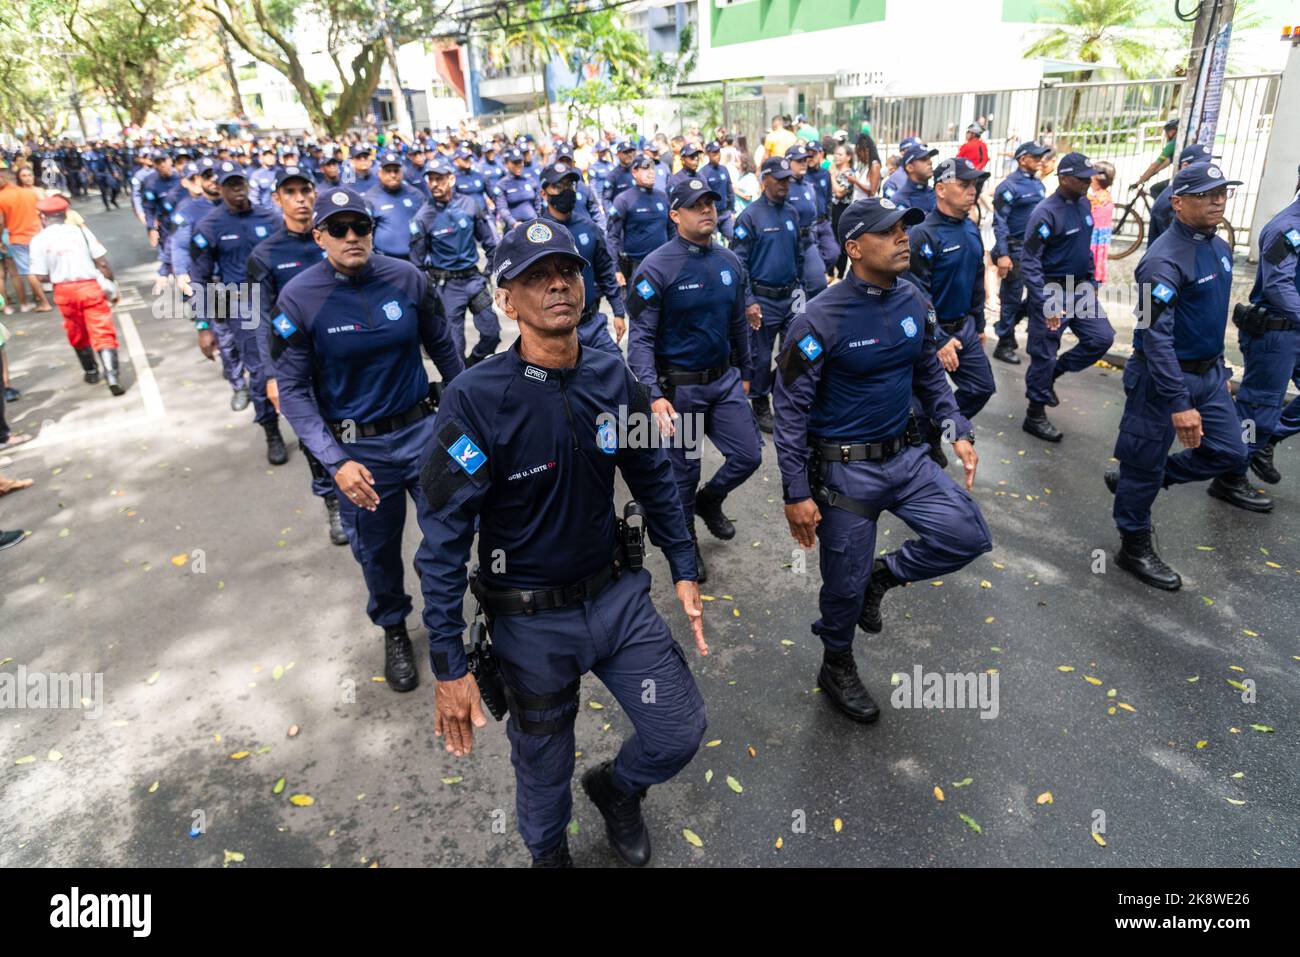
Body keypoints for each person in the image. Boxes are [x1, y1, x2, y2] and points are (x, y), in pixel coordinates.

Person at [418, 218, 707, 868]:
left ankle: (617, 789)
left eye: (568, 271)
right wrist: (448, 663)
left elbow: (654, 477)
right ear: (505, 300)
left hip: (617, 601)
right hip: (530, 627)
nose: (557, 284)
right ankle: (549, 854)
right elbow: (441, 540)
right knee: (544, 773)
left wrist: (683, 563)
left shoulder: (612, 379)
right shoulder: (472, 401)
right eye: (535, 276)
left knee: (677, 730)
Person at [773, 197, 990, 723]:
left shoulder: (913, 299)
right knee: (841, 588)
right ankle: (837, 662)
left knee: (967, 535)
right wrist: (796, 493)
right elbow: (789, 412)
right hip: (846, 473)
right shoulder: (818, 319)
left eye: (904, 229)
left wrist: (956, 429)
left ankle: (883, 576)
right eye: (888, 232)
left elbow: (930, 376)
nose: (902, 239)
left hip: (908, 459)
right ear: (853, 248)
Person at [271, 186, 463, 690]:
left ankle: (446, 626)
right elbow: (291, 390)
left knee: (449, 534)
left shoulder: (407, 278)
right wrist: (335, 461)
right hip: (359, 452)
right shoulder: (298, 298)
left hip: (423, 432)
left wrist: (466, 419)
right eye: (339, 229)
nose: (352, 237)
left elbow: (446, 351)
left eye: (361, 227)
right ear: (319, 236)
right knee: (376, 552)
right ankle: (394, 627)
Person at [1104, 163, 1257, 590]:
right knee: (1142, 461)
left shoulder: (1220, 246)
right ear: (1177, 202)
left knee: (1230, 452)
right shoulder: (1162, 262)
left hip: (1208, 375)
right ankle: (1132, 545)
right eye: (1206, 194)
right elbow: (1154, 337)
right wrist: (1180, 403)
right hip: (1161, 379)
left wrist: (1220, 370)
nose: (1218, 200)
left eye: (1223, 192)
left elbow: (1207, 319)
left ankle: (1147, 478)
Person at [627, 178, 761, 583]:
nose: (706, 210)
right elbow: (641, 339)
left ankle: (711, 500)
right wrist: (651, 395)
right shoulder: (655, 268)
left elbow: (739, 324)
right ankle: (685, 547)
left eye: (710, 203)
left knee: (749, 454)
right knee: (683, 474)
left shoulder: (729, 263)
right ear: (675, 215)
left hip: (724, 382)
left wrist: (747, 374)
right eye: (695, 204)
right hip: (678, 390)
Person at [248, 166, 347, 546]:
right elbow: (260, 318)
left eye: (306, 189)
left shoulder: (336, 237)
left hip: (345, 351)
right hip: (298, 361)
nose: (301, 198)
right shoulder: (266, 254)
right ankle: (331, 501)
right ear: (278, 200)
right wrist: (271, 375)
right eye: (290, 192)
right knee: (313, 433)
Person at [190, 160, 288, 463]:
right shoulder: (209, 226)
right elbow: (200, 278)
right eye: (231, 185)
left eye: (241, 184)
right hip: (242, 305)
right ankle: (271, 430)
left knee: (302, 364)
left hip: (280, 303)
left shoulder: (270, 217)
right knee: (260, 372)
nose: (238, 190)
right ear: (220, 189)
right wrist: (204, 325)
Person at [1019, 152, 1116, 442]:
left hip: (1080, 288)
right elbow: (1030, 260)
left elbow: (1083, 247)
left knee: (1102, 338)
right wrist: (1045, 301)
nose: (1089, 182)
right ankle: (1034, 414)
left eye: (1090, 177)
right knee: (1044, 353)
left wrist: (1091, 278)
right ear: (1063, 179)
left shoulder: (1085, 203)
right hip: (1052, 291)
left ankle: (1054, 375)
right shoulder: (1046, 213)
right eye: (1082, 178)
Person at [905, 158, 996, 464]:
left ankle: (935, 428)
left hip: (965, 327)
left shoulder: (969, 228)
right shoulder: (922, 234)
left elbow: (975, 279)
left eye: (975, 185)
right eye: (965, 184)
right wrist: (940, 338)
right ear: (941, 189)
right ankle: (924, 440)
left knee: (982, 387)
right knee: (922, 397)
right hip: (932, 333)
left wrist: (980, 323)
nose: (972, 191)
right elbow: (918, 293)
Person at [1220, 163, 1300, 488]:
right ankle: (1230, 474)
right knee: (1255, 412)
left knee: (1264, 421)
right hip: (1276, 336)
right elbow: (1278, 286)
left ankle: (1267, 441)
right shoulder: (1287, 228)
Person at [28, 194, 125, 394]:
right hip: (90, 287)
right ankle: (112, 375)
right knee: (102, 329)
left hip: (64, 292)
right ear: (65, 214)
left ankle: (91, 371)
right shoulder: (81, 232)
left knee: (76, 331)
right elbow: (102, 262)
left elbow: (39, 275)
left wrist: (57, 274)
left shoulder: (38, 241)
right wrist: (112, 284)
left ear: (43, 217)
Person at [410, 157, 501, 366]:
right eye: (430, 179)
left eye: (439, 178)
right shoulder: (423, 217)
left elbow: (488, 241)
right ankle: (460, 382)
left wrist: (488, 271)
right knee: (455, 345)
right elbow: (417, 261)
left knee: (491, 332)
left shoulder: (469, 205)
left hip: (474, 281)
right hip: (447, 287)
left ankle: (473, 363)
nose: (434, 184)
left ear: (450, 179)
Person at [537, 161, 625, 355]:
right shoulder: (536, 234)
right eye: (558, 186)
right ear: (544, 193)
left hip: (592, 324)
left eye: (570, 185)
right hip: (554, 329)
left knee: (619, 372)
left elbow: (605, 272)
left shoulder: (589, 227)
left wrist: (618, 311)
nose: (566, 191)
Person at [990, 141, 1051, 364]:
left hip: (1035, 250)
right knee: (1011, 298)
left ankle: (1007, 327)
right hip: (1015, 250)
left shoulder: (1037, 184)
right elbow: (999, 222)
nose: (1039, 161)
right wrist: (1004, 254)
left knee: (1036, 294)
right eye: (1035, 157)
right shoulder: (1009, 186)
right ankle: (1003, 344)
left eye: (1040, 157)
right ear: (1022, 159)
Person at [607, 155, 673, 287]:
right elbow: (612, 236)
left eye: (653, 168)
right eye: (646, 168)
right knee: (642, 304)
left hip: (664, 263)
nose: (651, 172)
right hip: (638, 267)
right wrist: (615, 269)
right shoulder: (623, 200)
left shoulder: (663, 197)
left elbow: (672, 231)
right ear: (634, 172)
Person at [0, 170, 52, 313]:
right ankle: (41, 297)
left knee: (29, 271)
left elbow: (1, 221)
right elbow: (42, 212)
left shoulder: (2, 197)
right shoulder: (29, 193)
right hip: (37, 235)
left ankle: (43, 302)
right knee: (42, 266)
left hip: (17, 238)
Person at [1147, 143, 1214, 247]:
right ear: (1185, 166)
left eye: (1208, 164)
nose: (1206, 170)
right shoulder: (1172, 202)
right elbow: (1176, 245)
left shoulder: (1190, 194)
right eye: (1200, 165)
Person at [783, 144, 828, 297]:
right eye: (799, 161)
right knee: (798, 288)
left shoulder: (808, 187)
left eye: (805, 160)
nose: (803, 164)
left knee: (819, 283)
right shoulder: (783, 187)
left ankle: (813, 317)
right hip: (789, 244)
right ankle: (799, 318)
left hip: (808, 241)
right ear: (788, 162)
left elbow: (813, 216)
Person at [366, 150, 425, 261]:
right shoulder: (371, 198)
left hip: (416, 259)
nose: (393, 175)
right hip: (385, 261)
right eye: (388, 171)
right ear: (379, 173)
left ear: (402, 172)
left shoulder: (416, 194)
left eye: (396, 171)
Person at [1132, 118, 1179, 197]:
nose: (1165, 135)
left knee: (1155, 189)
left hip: (1180, 179)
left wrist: (1139, 181)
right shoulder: (1178, 144)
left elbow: (1155, 165)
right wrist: (1145, 178)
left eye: (1166, 132)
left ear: (1172, 131)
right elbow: (1159, 167)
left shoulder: (1172, 145)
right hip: (1182, 178)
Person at [699, 141, 735, 241]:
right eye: (714, 153)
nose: (717, 155)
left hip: (725, 214)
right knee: (712, 243)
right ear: (708, 154)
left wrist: (732, 210)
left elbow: (730, 191)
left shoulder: (724, 169)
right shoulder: (703, 172)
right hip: (710, 215)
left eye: (718, 152)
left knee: (734, 237)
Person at [892, 143, 938, 215]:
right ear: (910, 168)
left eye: (929, 158)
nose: (930, 162)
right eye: (923, 159)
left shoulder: (936, 193)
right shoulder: (899, 200)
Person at [1089, 162, 1116, 284]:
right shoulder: (1107, 196)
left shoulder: (1094, 199)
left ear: (1096, 178)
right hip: (1102, 239)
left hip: (1093, 239)